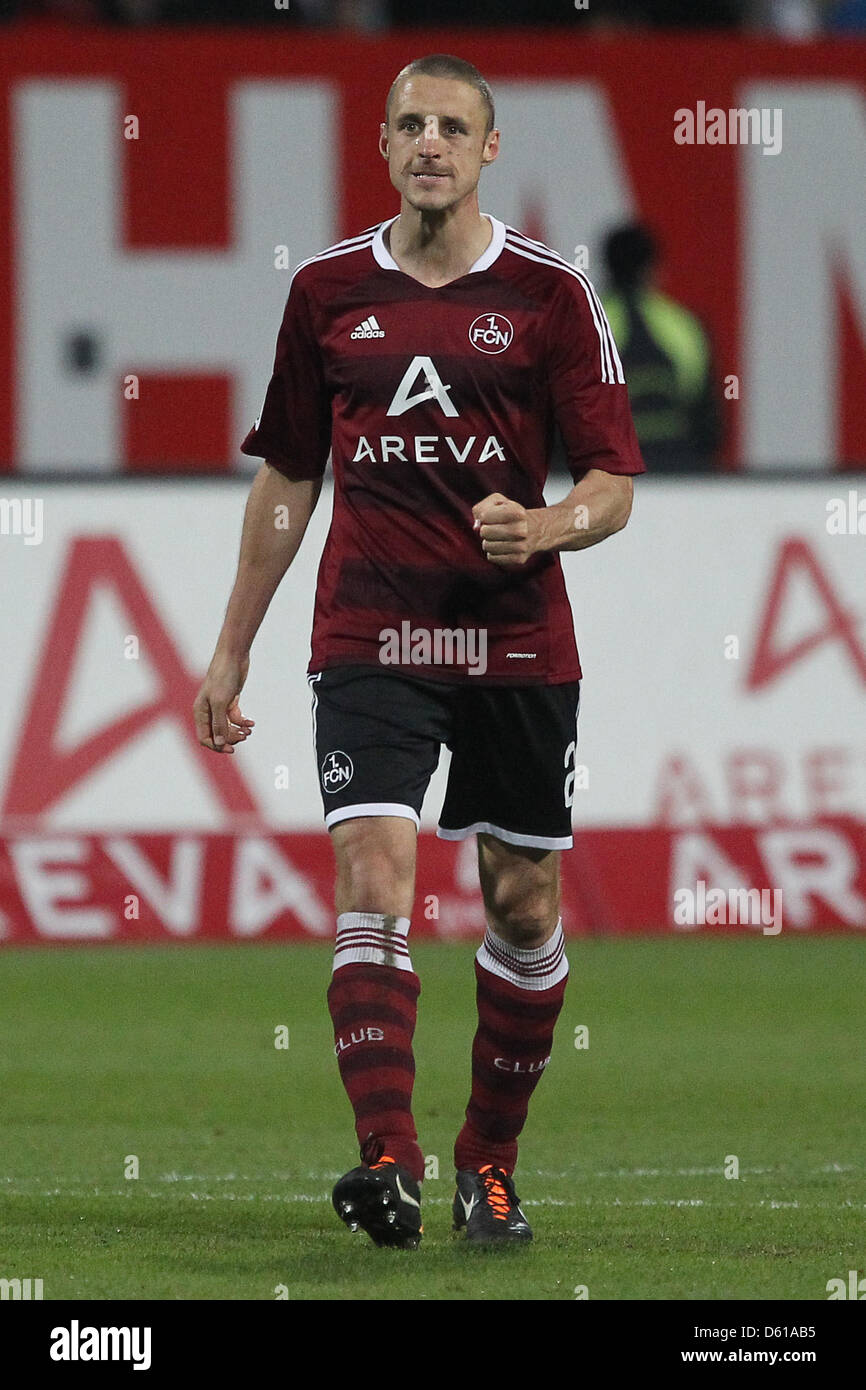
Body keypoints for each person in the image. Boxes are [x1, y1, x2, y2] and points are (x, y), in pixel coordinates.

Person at [194, 53, 644, 1249]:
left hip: (513, 643)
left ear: (489, 149)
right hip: (370, 632)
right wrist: (231, 648)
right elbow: (290, 472)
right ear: (383, 148)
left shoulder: (549, 294)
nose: (428, 142)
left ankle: (484, 1161)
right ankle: (385, 1162)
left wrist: (544, 525)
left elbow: (613, 484)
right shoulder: (330, 291)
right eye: (408, 125)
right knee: (375, 879)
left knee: (522, 899)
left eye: (452, 125)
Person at [601, 222, 722, 473]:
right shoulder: (684, 325)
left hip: (605, 475)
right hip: (678, 472)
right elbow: (709, 423)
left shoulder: (582, 322)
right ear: (651, 268)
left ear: (607, 266)